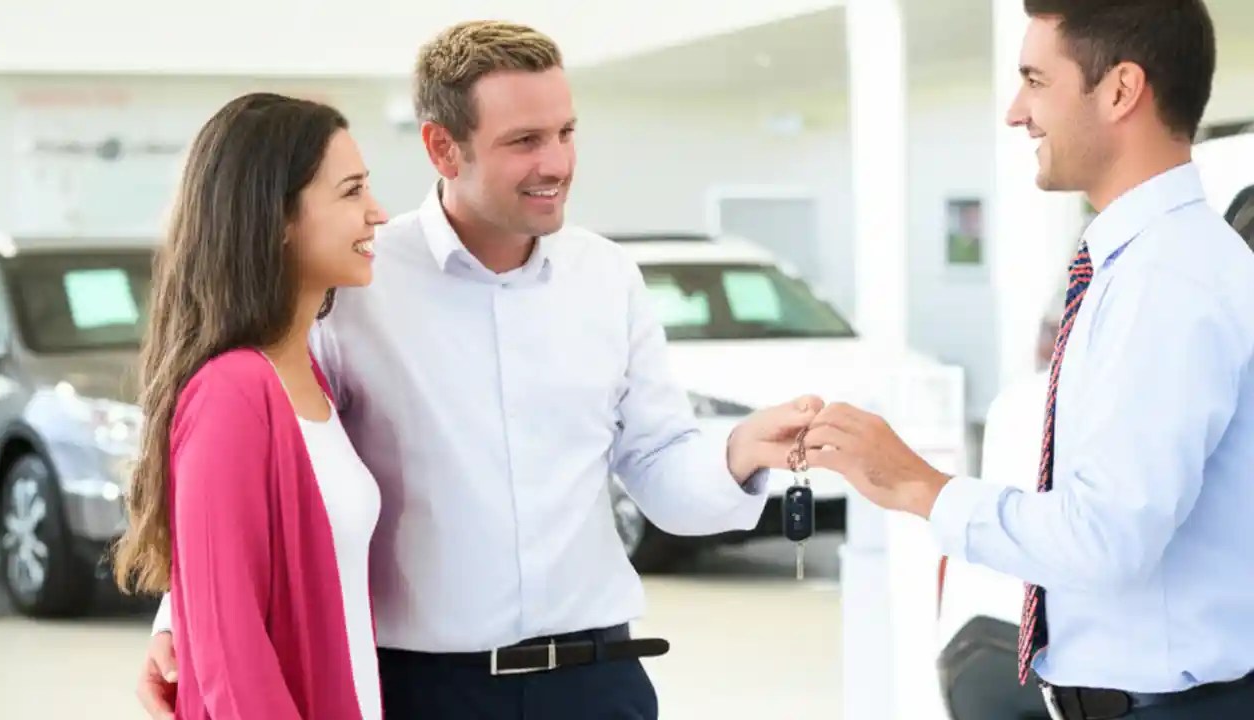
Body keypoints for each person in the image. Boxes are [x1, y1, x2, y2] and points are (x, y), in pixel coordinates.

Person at [135, 20, 823, 720]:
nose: (556, 162)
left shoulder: (608, 278)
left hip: (596, 682)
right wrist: (180, 620)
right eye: (525, 141)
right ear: (442, 147)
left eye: (566, 132)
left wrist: (736, 455)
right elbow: (265, 478)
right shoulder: (355, 285)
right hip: (424, 692)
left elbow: (658, 464)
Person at [802, 1, 1254, 718]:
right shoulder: (1146, 267)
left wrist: (920, 486)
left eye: (1036, 81)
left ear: (1120, 90)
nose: (1017, 112)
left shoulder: (1168, 283)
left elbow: (1109, 538)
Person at [113, 92, 389, 719]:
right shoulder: (232, 393)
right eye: (351, 192)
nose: (377, 213)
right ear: (279, 218)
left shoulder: (307, 372)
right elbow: (230, 655)